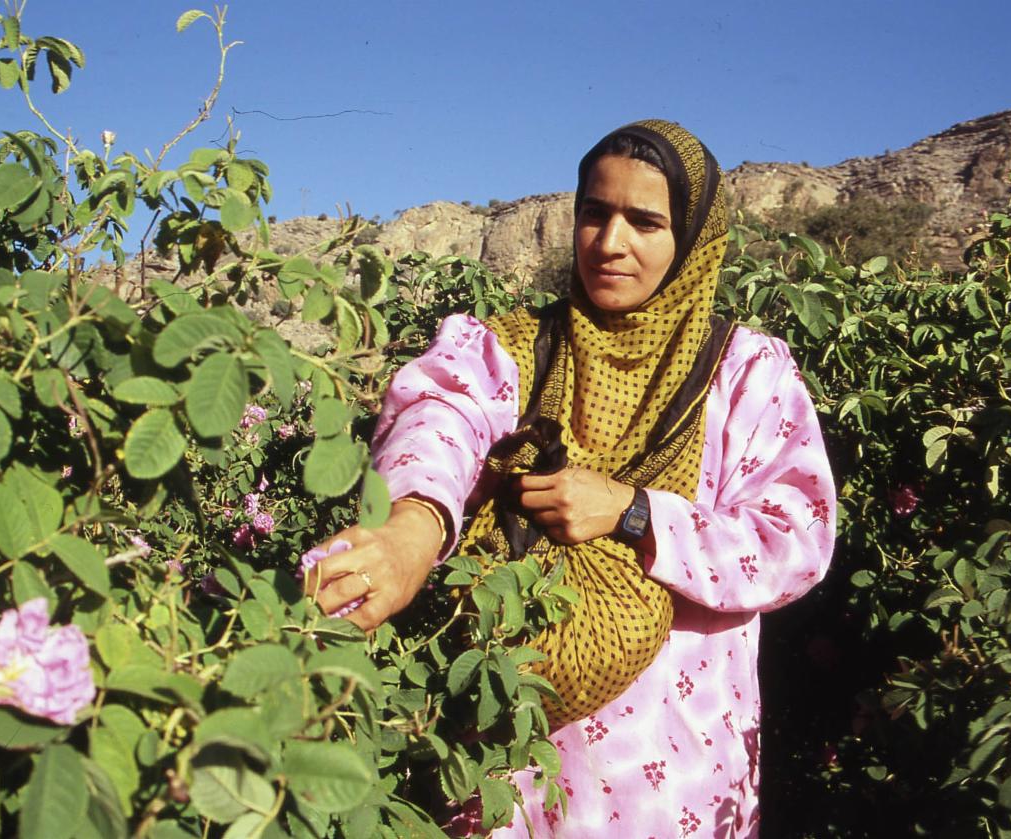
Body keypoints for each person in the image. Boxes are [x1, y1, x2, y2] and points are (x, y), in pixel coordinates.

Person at [304, 120, 836, 838]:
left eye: (646, 221)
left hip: (676, 781)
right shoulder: (514, 347)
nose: (610, 243)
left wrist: (635, 511)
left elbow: (794, 537)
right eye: (595, 212)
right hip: (516, 771)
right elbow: (443, 416)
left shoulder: (746, 373)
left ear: (693, 240)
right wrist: (409, 531)